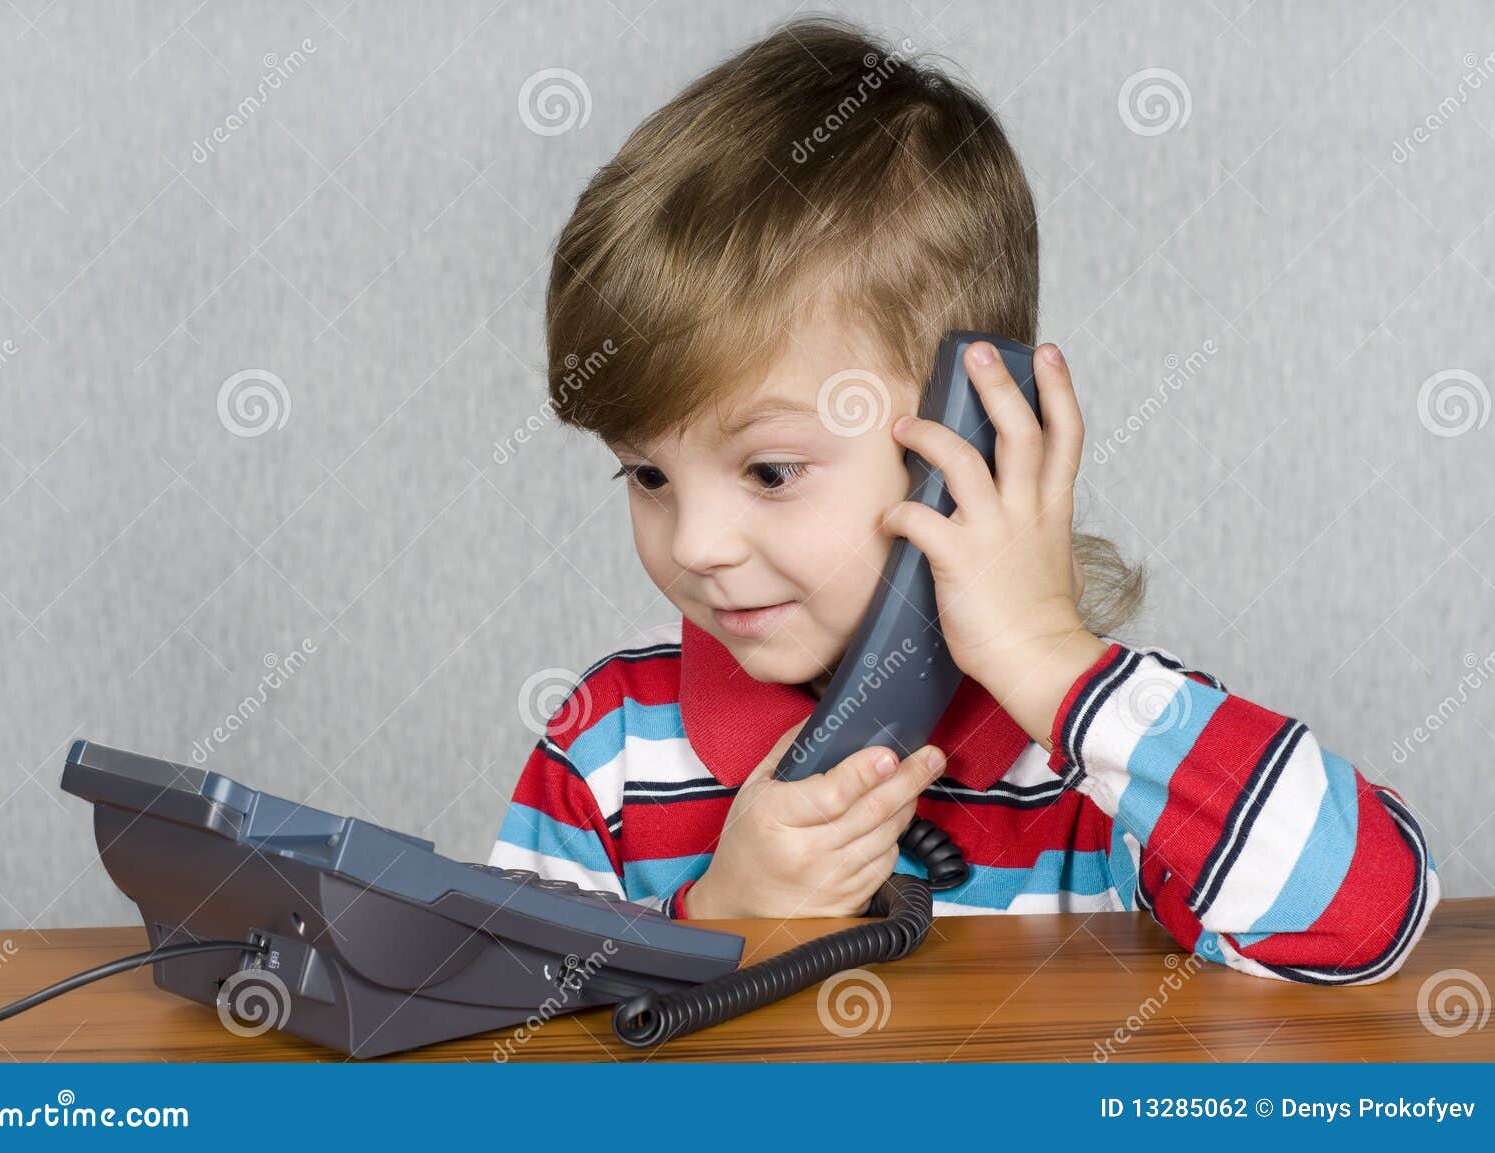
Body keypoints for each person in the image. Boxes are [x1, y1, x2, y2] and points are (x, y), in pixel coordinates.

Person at [488, 16, 1437, 985]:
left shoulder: (1110, 748)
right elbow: (502, 1045)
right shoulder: (604, 746)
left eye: (770, 471)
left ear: (970, 437)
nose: (695, 542)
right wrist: (723, 918)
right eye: (646, 474)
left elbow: (1365, 916)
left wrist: (1046, 664)